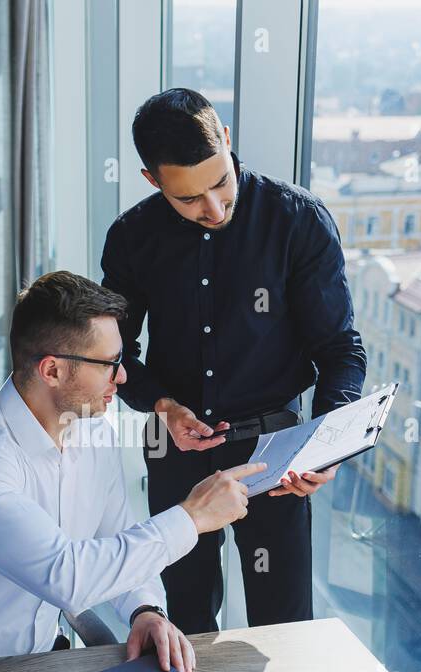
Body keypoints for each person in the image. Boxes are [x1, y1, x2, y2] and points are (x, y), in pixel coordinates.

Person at [0, 270, 264, 672]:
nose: (122, 377)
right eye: (109, 363)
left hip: (38, 667)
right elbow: (67, 577)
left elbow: (115, 535)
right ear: (51, 370)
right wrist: (193, 517)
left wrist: (144, 609)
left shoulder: (93, 431)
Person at [101, 88, 367, 636]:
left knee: (286, 629)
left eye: (221, 183)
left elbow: (340, 349)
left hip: (278, 457)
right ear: (153, 180)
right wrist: (164, 406)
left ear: (226, 140)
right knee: (187, 621)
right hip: (176, 450)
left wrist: (327, 443)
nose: (214, 209)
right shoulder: (132, 237)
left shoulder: (298, 220)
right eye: (189, 199)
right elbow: (116, 352)